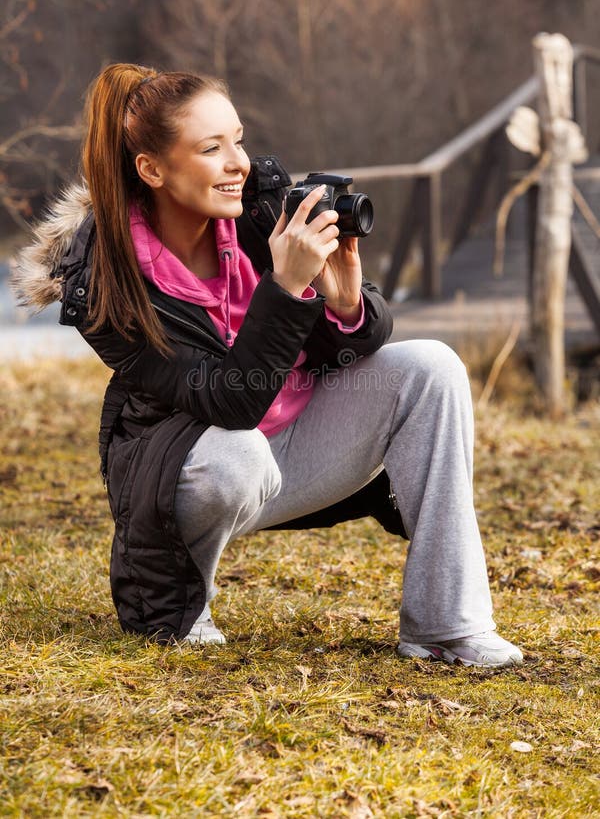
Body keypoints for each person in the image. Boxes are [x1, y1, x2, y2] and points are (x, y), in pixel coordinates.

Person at [11, 63, 523, 668]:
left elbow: (351, 345)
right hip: (199, 474)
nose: (238, 163)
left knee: (430, 367)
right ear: (152, 169)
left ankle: (447, 626)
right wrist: (285, 286)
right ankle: (184, 607)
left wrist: (343, 302)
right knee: (238, 452)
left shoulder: (262, 217)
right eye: (211, 148)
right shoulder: (108, 286)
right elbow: (230, 403)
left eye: (239, 140)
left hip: (297, 453)